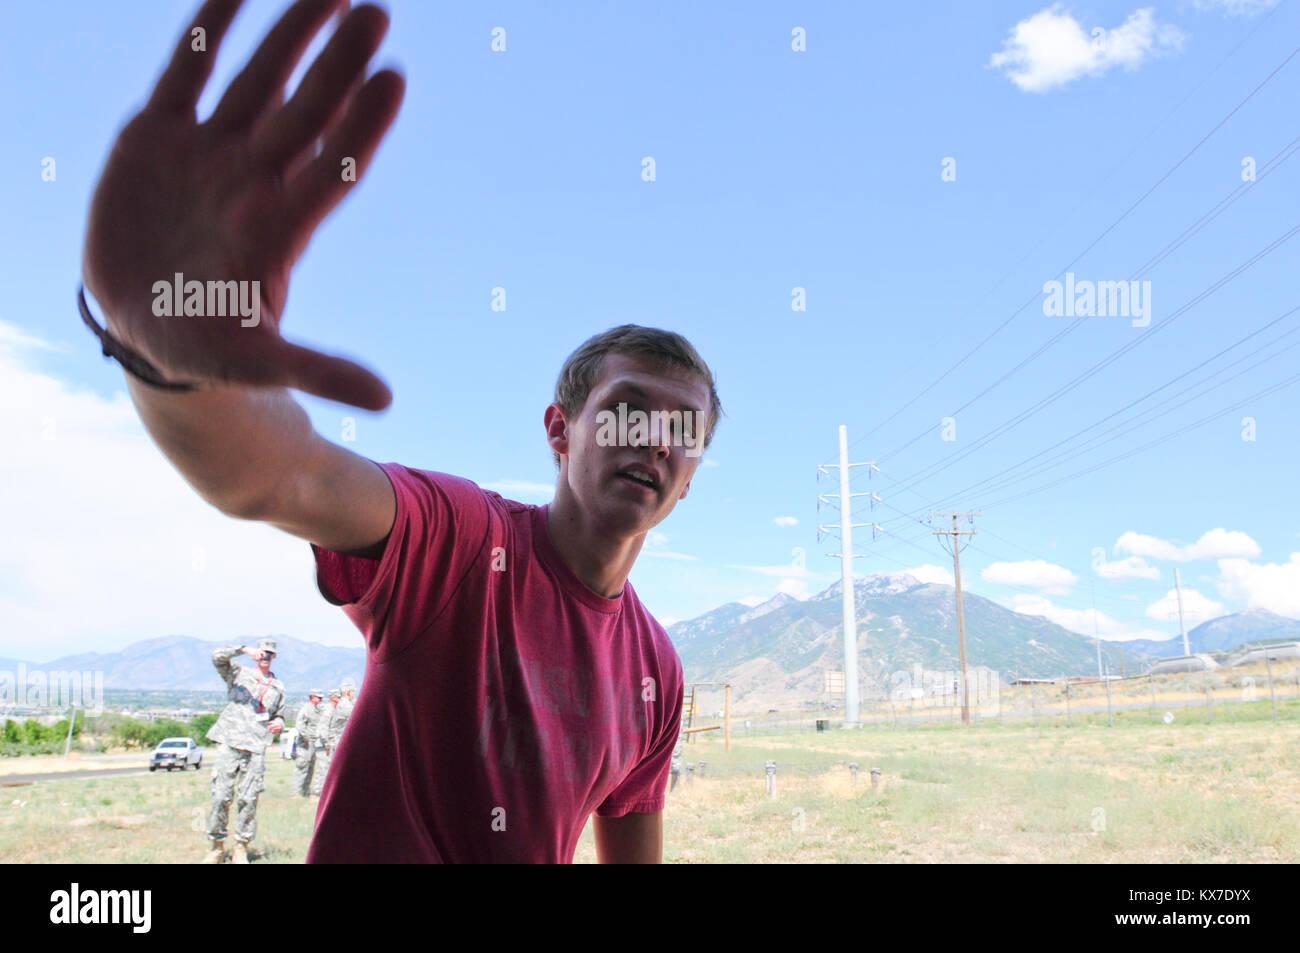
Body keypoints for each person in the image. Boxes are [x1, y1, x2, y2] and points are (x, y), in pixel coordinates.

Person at [80, 0, 721, 863]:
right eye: (628, 408)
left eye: (682, 429)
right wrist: (168, 354)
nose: (653, 438)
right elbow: (281, 477)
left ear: (691, 476)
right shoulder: (461, 543)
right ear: (559, 431)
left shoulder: (658, 669)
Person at [202, 640, 286, 864]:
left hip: (256, 746)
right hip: (231, 741)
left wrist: (279, 723)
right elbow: (216, 657)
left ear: (274, 657)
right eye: (262, 653)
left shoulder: (278, 687)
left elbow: (279, 714)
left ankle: (241, 847)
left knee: (249, 799)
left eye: (269, 654)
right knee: (221, 796)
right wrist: (242, 650)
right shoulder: (238, 673)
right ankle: (216, 847)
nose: (265, 657)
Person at [291, 689, 326, 797]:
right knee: (302, 765)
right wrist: (305, 737)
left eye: (321, 697)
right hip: (305, 743)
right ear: (312, 697)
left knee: (310, 767)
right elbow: (300, 724)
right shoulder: (306, 709)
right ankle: (296, 792)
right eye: (318, 697)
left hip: (314, 742)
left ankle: (305, 790)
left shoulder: (317, 710)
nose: (320, 699)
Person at [311, 688, 343, 796]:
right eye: (338, 697)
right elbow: (323, 727)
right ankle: (318, 791)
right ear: (333, 698)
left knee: (327, 767)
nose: (340, 699)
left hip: (327, 743)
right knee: (322, 767)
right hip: (323, 744)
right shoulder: (329, 710)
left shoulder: (334, 709)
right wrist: (327, 742)